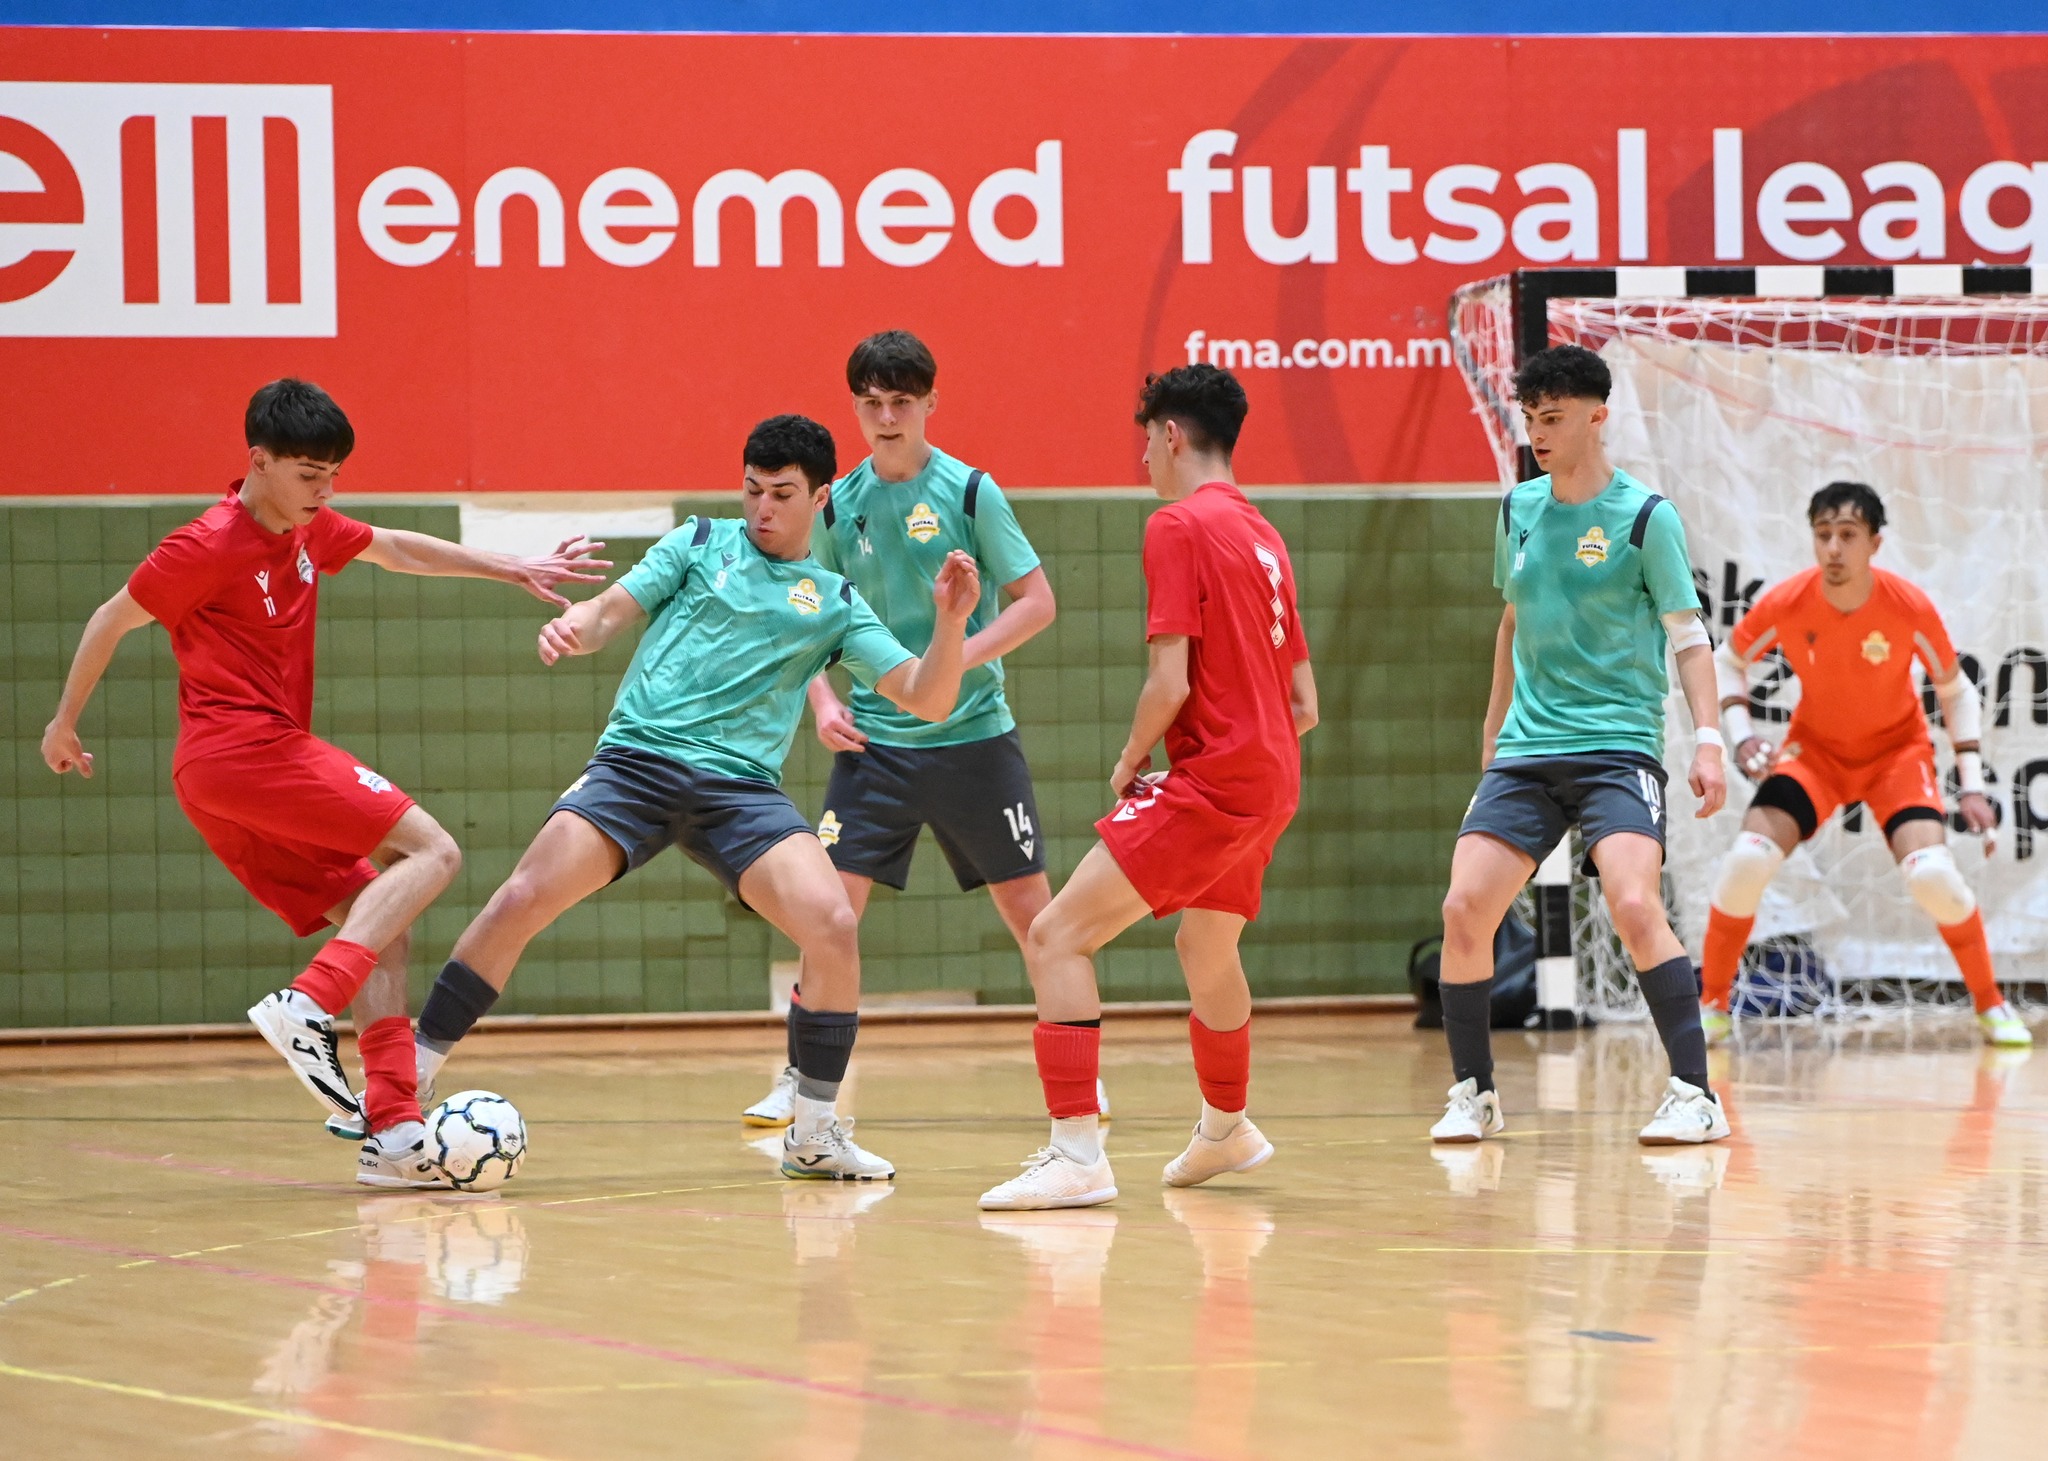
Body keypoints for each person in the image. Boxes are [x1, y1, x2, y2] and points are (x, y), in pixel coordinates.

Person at [39, 379, 607, 1186]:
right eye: (310, 473)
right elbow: (110, 617)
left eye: (333, 473)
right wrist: (64, 723)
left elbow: (396, 547)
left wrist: (508, 567)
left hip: (236, 773)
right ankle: (309, 1000)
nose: (325, 489)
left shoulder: (306, 528)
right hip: (239, 750)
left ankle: (395, 1132)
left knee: (381, 915)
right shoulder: (204, 544)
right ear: (258, 462)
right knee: (435, 852)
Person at [401, 414, 980, 1181]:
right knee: (522, 895)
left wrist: (951, 622)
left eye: (780, 494)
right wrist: (573, 626)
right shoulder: (699, 543)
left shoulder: (835, 599)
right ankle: (405, 1078)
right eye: (752, 490)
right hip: (637, 763)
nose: (761, 508)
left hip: (739, 792)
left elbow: (928, 696)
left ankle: (812, 1133)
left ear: (820, 497)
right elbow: (608, 611)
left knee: (833, 921)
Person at [978, 363, 1319, 1212]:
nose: (1143, 460)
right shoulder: (1266, 537)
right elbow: (1305, 702)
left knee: (1055, 935)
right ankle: (1226, 1126)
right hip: (1274, 774)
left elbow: (1169, 680)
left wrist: (1135, 759)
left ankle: (1077, 1153)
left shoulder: (1178, 525)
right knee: (1207, 948)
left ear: (1171, 434)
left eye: (1145, 441)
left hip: (1222, 779)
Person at [740, 331, 1095, 1126]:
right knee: (827, 914)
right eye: (872, 402)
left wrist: (953, 660)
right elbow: (806, 613)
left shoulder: (971, 493)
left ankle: (1081, 1077)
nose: (887, 416)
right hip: (877, 749)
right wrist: (824, 702)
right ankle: (801, 1076)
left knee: (1035, 916)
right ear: (857, 408)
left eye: (903, 401)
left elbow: (1038, 600)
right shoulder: (843, 503)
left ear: (931, 403)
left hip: (974, 739)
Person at [1435, 344, 1730, 1149]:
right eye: (1530, 418)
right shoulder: (1518, 509)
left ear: (1598, 417)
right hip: (1528, 751)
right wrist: (1492, 731)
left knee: (1635, 904)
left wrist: (1708, 742)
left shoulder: (1645, 517)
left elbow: (1689, 636)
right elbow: (1510, 621)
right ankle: (1474, 1093)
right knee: (1464, 909)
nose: (1538, 432)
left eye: (1554, 418)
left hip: (1617, 749)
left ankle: (1696, 1094)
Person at [1700, 482, 2028, 1047]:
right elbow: (1725, 662)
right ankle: (1711, 1004)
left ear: (1874, 543)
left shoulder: (1908, 606)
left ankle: (1990, 1003)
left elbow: (1956, 691)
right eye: (1822, 534)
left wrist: (1970, 781)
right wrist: (1740, 732)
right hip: (1815, 755)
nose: (1833, 548)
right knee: (1745, 863)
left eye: (1847, 535)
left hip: (1895, 756)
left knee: (1933, 877)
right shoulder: (1788, 601)